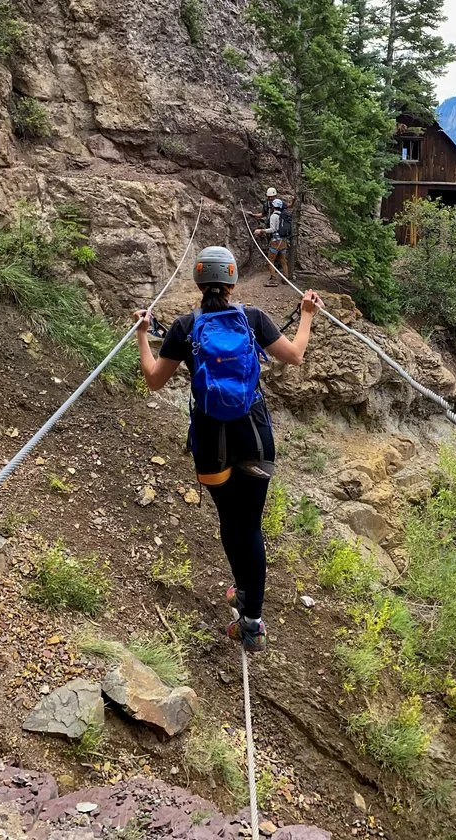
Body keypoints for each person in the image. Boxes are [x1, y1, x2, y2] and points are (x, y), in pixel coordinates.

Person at [132, 246, 320, 652]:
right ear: (233, 282)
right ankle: (252, 621)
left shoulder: (185, 326)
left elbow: (152, 379)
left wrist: (143, 336)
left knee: (230, 521)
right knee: (250, 526)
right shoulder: (252, 319)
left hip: (210, 440)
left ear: (198, 283)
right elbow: (295, 356)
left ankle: (243, 595)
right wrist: (305, 313)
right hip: (253, 435)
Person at [249, 188, 291, 287]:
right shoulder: (283, 215)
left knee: (270, 260)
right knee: (283, 260)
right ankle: (286, 278)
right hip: (284, 241)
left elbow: (272, 229)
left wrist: (261, 231)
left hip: (275, 241)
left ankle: (273, 279)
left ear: (274, 206)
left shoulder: (273, 216)